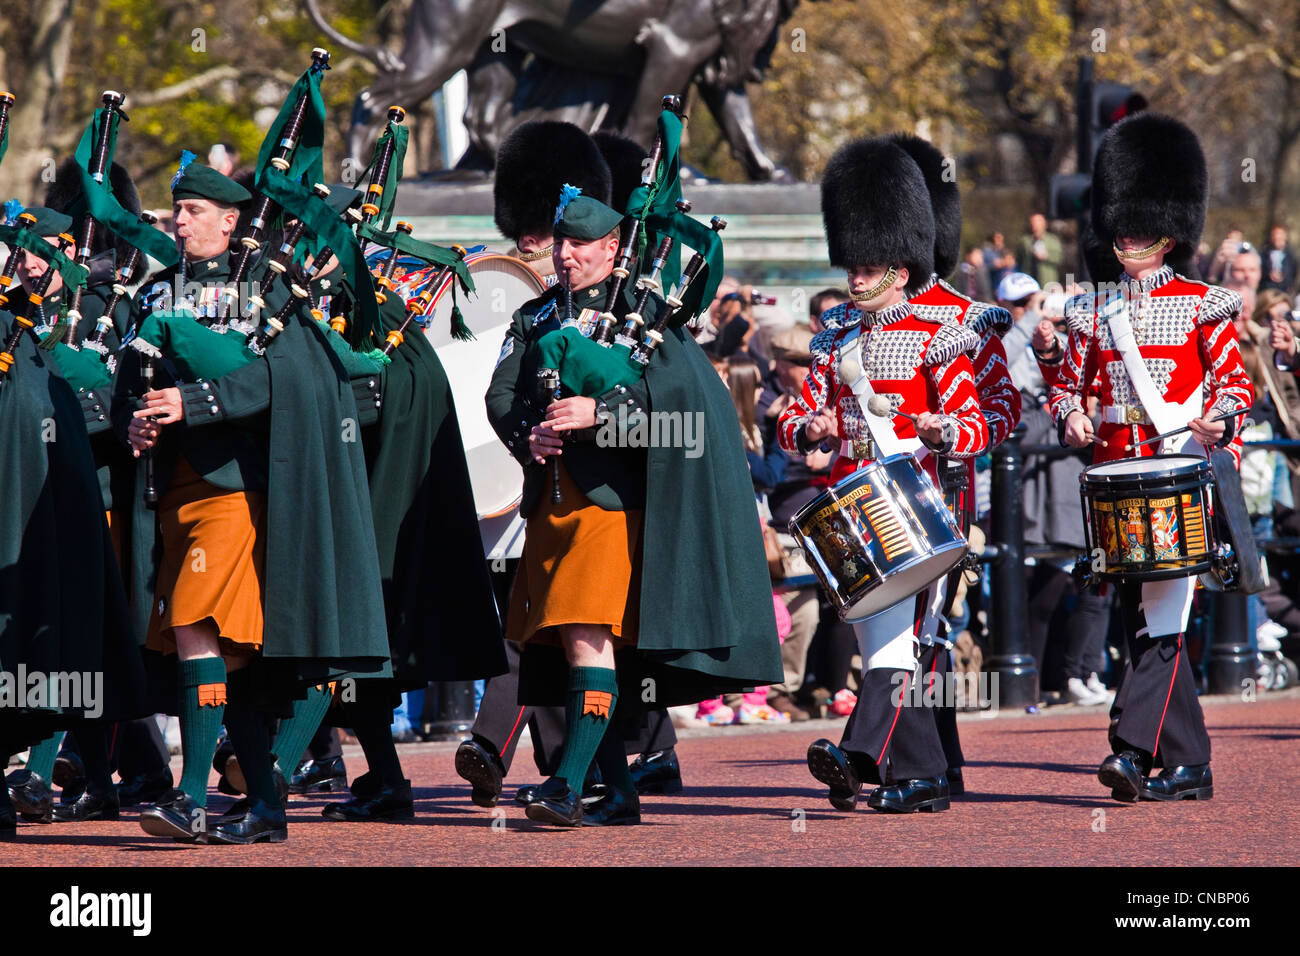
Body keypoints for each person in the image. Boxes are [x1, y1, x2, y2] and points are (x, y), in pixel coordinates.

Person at [114, 158, 391, 843]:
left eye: (194, 211)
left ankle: (190, 798)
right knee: (226, 653)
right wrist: (136, 417)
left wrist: (196, 401)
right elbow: (131, 376)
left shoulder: (267, 288)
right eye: (176, 210)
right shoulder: (154, 293)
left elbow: (287, 378)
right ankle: (265, 805)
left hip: (237, 486)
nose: (179, 221)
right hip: (170, 491)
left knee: (195, 625)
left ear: (232, 220)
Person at [486, 189, 782, 826]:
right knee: (571, 645)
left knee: (588, 639)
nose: (566, 256)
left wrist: (601, 414)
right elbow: (502, 393)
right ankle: (616, 791)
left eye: (581, 245)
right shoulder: (534, 317)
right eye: (561, 243)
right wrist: (525, 434)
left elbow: (677, 413)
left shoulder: (647, 320)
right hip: (549, 503)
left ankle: (565, 786)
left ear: (613, 247)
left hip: (612, 506)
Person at [1049, 113, 1253, 803]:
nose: (1129, 239)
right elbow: (1063, 389)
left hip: (1177, 477)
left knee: (1160, 617)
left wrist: (1220, 417)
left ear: (1171, 231)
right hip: (1112, 480)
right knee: (1142, 615)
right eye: (1123, 228)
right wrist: (1071, 414)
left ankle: (1132, 752)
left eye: (1142, 228)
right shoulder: (1090, 312)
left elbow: (1236, 384)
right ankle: (1189, 764)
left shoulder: (1203, 305)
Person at [780, 137, 988, 814]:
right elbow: (790, 420)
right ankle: (919, 774)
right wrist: (807, 429)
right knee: (887, 646)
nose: (857, 273)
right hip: (851, 508)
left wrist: (944, 431)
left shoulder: (942, 334)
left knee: (898, 642)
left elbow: (978, 420)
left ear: (900, 267)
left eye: (869, 262)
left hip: (915, 504)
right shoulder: (835, 336)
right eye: (854, 261)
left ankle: (861, 752)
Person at [1016, 214, 1063, 288]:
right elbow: (1019, 260)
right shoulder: (1025, 241)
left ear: (1044, 225)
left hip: (1047, 282)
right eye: (1033, 223)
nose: (1035, 226)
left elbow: (1059, 259)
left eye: (1038, 224)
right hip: (1029, 281)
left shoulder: (1053, 240)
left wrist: (1046, 256)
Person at [1261, 225, 1297, 295]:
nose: (1277, 237)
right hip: (1267, 289)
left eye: (1280, 235)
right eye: (1275, 235)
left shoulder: (1291, 256)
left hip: (1285, 291)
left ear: (1285, 237)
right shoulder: (1264, 254)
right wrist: (1269, 274)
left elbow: (1294, 273)